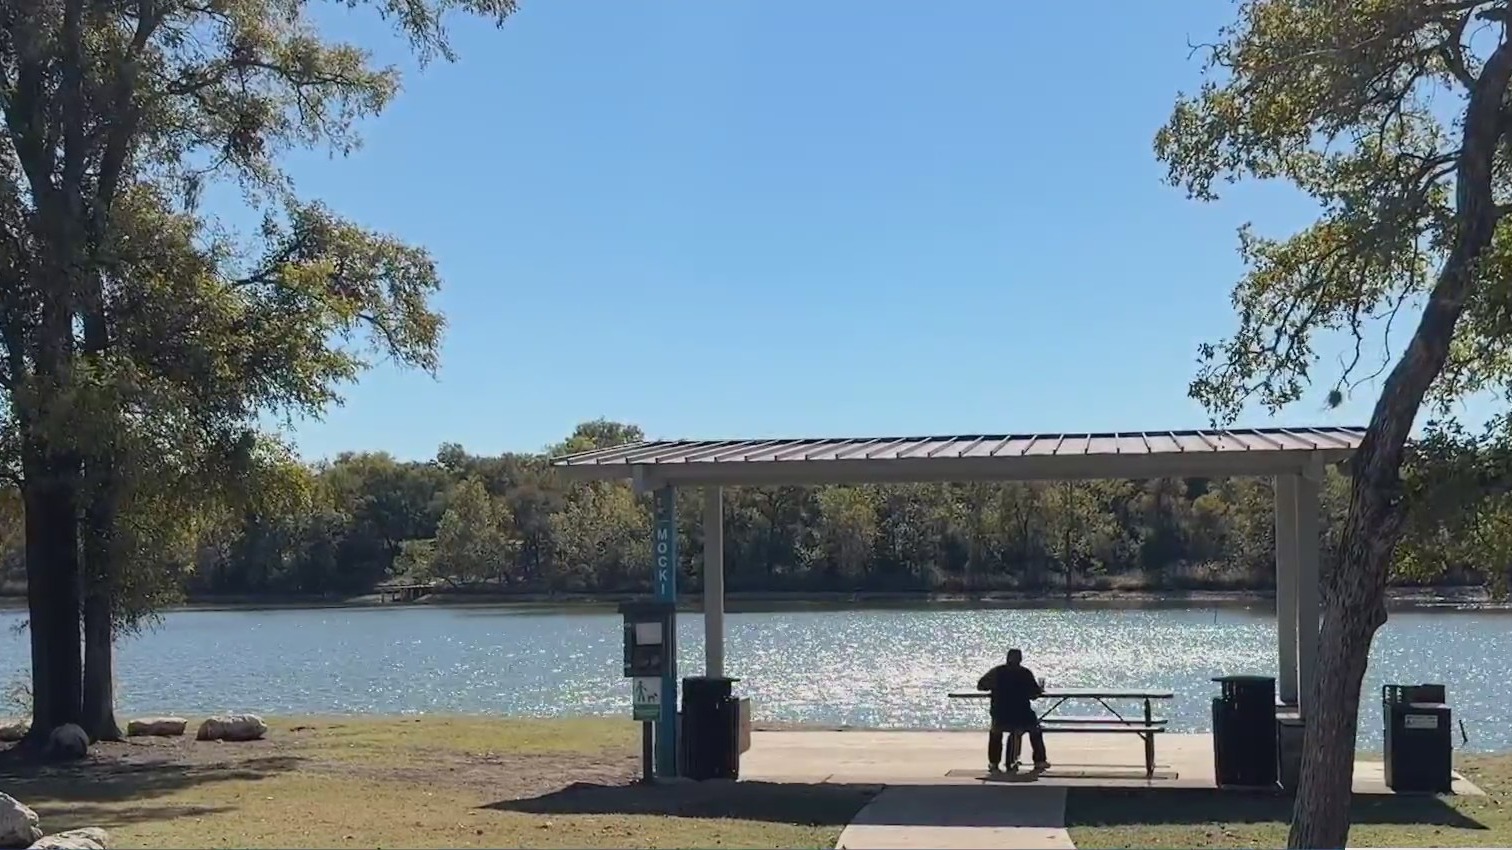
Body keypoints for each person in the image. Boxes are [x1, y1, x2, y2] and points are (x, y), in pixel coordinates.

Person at [976, 648, 1049, 773]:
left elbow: (981, 685)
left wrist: (995, 688)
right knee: (1035, 729)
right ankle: (1039, 761)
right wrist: (1039, 690)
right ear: (1020, 659)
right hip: (1022, 715)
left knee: (995, 732)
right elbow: (1034, 694)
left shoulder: (997, 672)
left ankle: (994, 762)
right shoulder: (1025, 673)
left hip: (1000, 714)